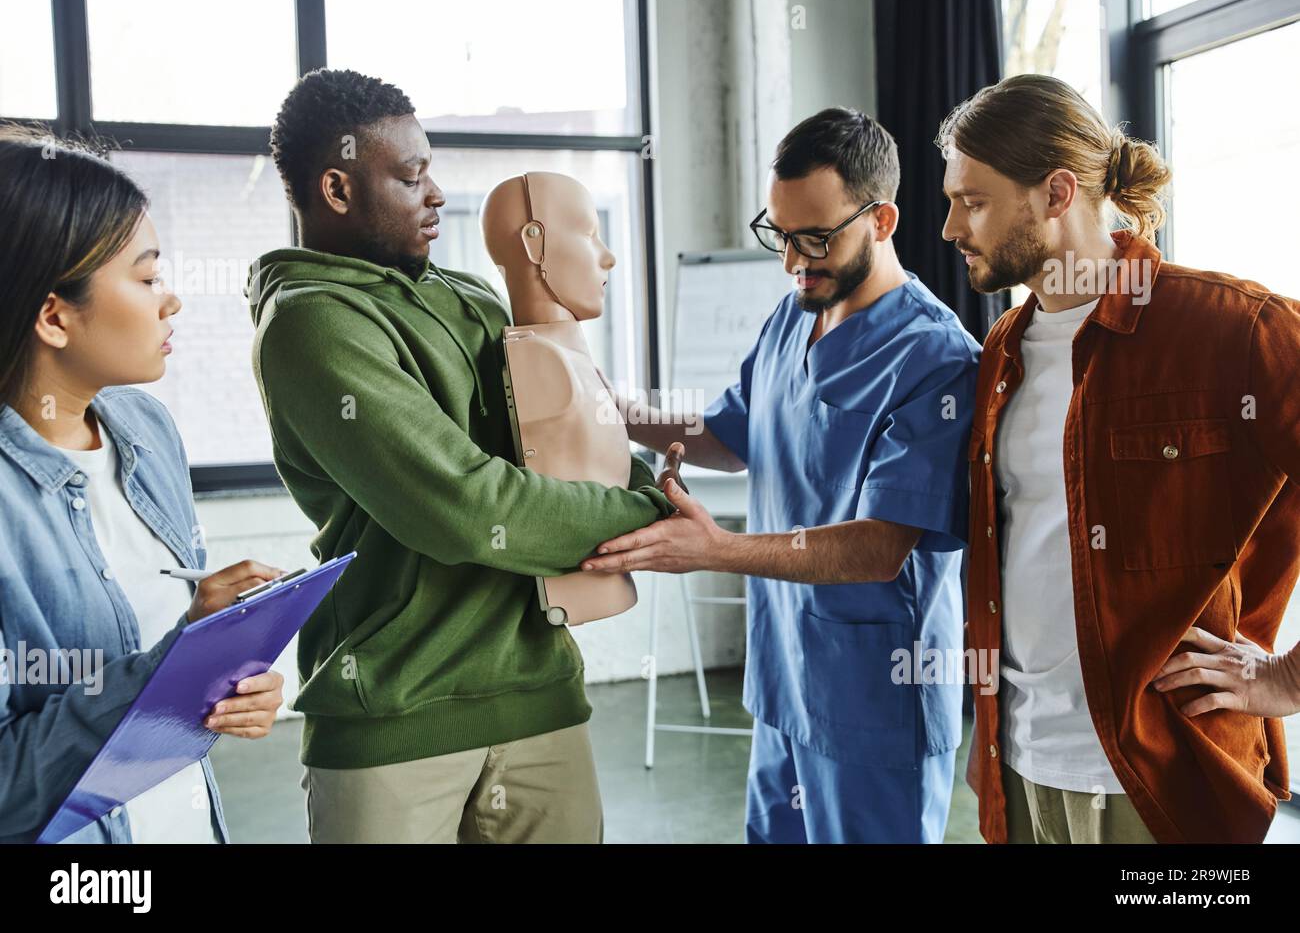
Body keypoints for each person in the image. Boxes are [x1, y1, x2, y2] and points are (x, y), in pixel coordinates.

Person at [248, 69, 678, 843]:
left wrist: (646, 481)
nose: (437, 193)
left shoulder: (471, 298)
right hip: (394, 712)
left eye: (432, 169)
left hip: (539, 694)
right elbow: (464, 508)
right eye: (411, 176)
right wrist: (647, 512)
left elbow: (563, 446)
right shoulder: (309, 324)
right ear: (337, 190)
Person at [583, 108, 980, 843]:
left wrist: (715, 552)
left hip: (875, 701)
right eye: (780, 235)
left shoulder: (936, 359)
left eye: (817, 239)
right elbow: (735, 435)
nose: (794, 261)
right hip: (786, 679)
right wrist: (620, 413)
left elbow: (879, 547)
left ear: (883, 219)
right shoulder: (793, 315)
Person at [938, 73, 1300, 843]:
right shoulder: (1003, 349)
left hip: (1166, 780)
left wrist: (1286, 678)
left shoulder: (1236, 331)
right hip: (1023, 769)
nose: (949, 227)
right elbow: (1008, 557)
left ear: (1057, 193)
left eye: (972, 200)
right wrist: (988, 733)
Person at [0, 123, 286, 844]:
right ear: (54, 316)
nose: (172, 301)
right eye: (148, 275)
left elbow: (160, 645)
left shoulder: (145, 429)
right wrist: (172, 667)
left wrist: (223, 681)